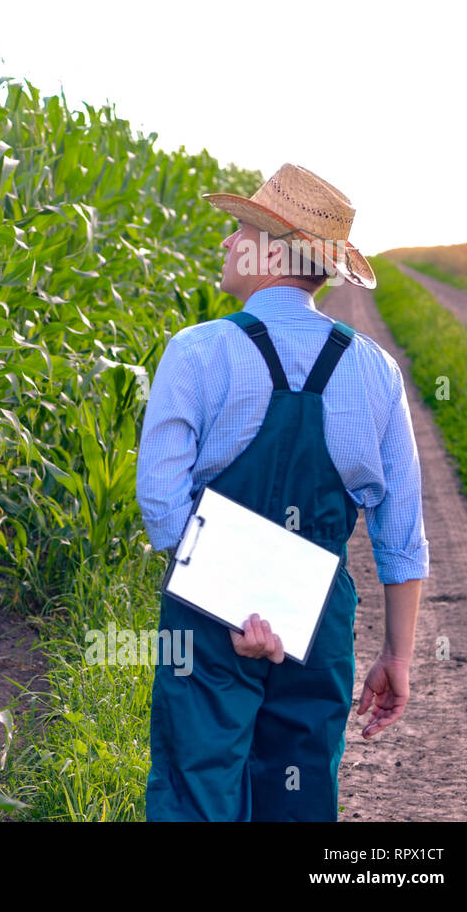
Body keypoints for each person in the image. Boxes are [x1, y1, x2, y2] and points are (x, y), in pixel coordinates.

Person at [136, 164, 428, 821]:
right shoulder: (376, 371)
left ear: (270, 249)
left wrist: (240, 599)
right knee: (298, 795)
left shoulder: (196, 351)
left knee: (197, 792)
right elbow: (400, 533)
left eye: (238, 230)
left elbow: (161, 509)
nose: (225, 243)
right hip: (317, 619)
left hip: (207, 618)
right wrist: (398, 655)